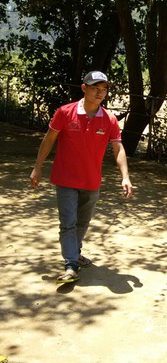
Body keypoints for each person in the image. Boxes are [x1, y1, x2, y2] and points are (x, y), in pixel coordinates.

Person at [30, 71, 134, 283]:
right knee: (68, 223)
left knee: (82, 222)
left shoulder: (109, 119)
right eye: (96, 88)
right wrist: (37, 167)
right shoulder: (65, 112)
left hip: (91, 181)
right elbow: (49, 140)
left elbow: (118, 148)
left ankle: (74, 253)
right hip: (65, 178)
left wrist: (125, 176)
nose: (100, 93)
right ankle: (71, 265)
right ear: (84, 88)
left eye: (104, 89)